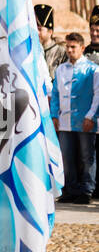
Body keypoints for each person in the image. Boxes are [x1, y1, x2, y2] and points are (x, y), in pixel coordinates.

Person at [49, 32, 99, 205]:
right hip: (65, 121)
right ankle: (70, 189)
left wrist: (91, 116)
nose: (69, 51)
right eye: (67, 47)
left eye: (73, 47)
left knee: (87, 156)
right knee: (67, 157)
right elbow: (55, 94)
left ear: (82, 48)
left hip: (85, 120)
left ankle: (86, 190)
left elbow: (97, 95)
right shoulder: (61, 69)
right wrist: (54, 115)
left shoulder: (92, 69)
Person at [34, 4, 66, 77]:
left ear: (50, 32)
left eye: (39, 29)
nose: (36, 32)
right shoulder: (32, 50)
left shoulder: (62, 52)